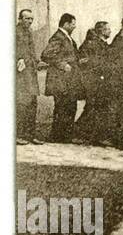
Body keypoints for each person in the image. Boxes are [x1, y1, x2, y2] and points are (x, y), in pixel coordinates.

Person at [41, 13, 80, 142]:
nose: (75, 26)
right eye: (73, 23)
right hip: (60, 80)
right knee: (62, 106)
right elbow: (46, 55)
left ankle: (65, 136)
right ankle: (57, 136)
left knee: (69, 106)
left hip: (68, 80)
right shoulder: (58, 37)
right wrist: (62, 64)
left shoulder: (67, 37)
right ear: (66, 24)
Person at [16, 9, 42, 144]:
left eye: (31, 19)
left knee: (32, 103)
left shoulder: (29, 32)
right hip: (20, 76)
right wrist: (18, 59)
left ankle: (30, 135)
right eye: (27, 19)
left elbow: (31, 52)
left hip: (31, 74)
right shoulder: (15, 32)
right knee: (21, 105)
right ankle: (18, 135)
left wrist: (38, 62)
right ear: (20, 19)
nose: (30, 21)